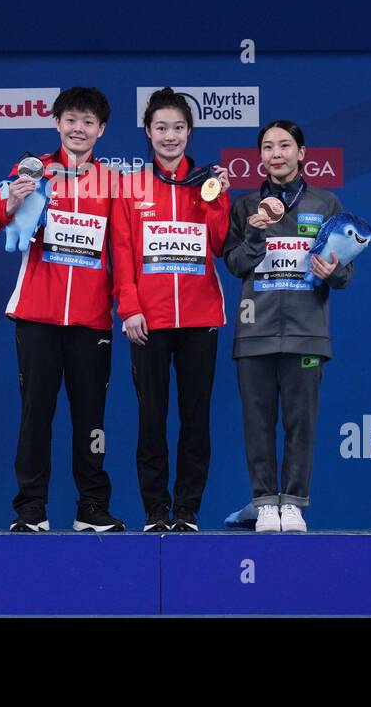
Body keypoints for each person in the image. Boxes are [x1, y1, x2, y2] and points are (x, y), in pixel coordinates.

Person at [0, 87, 125, 533]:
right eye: (71, 120)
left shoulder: (113, 183)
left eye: (88, 122)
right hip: (37, 315)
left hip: (92, 319)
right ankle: (31, 510)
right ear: (57, 123)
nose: (79, 129)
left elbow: (124, 248)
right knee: (35, 416)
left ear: (102, 130)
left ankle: (91, 508)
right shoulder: (31, 170)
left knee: (90, 418)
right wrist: (12, 201)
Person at [222, 120, 354, 533]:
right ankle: (264, 502)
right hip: (254, 333)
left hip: (306, 333)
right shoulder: (245, 207)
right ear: (259, 156)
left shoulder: (326, 204)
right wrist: (256, 238)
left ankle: (293, 502)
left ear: (301, 153)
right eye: (267, 147)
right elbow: (236, 264)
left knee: (301, 421)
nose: (275, 154)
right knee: (257, 422)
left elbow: (344, 275)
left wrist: (331, 270)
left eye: (284, 146)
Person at [110, 88, 231, 533]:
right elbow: (122, 252)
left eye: (178, 128)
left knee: (195, 420)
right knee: (152, 419)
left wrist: (214, 200)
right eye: (161, 127)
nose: (170, 136)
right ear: (147, 131)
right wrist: (129, 308)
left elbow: (220, 244)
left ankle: (187, 511)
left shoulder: (208, 181)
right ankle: (156, 511)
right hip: (149, 321)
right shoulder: (130, 186)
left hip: (201, 318)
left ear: (189, 132)